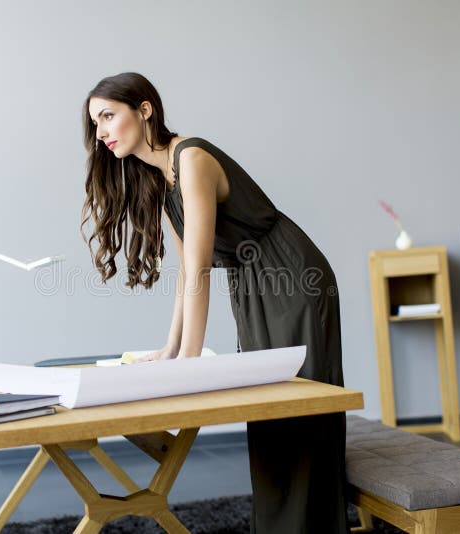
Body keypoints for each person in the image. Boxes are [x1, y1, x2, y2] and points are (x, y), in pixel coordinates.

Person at [80, 72, 348, 534]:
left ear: (145, 110)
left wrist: (188, 365)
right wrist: (170, 351)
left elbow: (201, 267)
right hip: (251, 285)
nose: (101, 132)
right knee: (269, 420)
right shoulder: (160, 181)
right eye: (95, 122)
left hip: (291, 277)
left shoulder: (192, 159)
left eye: (108, 116)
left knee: (300, 412)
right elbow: (186, 270)